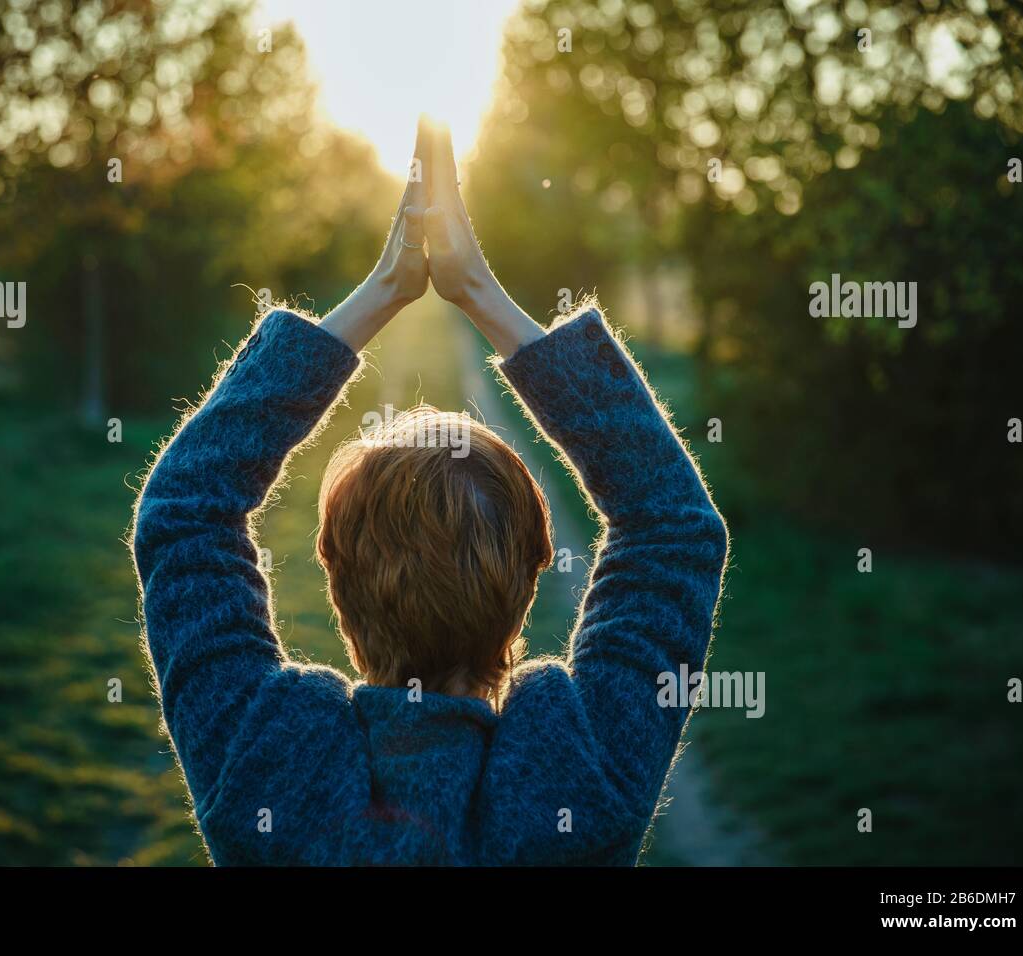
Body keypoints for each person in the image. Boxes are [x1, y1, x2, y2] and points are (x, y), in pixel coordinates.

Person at [131, 118, 729, 865]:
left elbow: (184, 508)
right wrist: (478, 291)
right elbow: (672, 524)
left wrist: (383, 291)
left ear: (337, 581)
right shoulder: (581, 783)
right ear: (528, 576)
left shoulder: (268, 773)